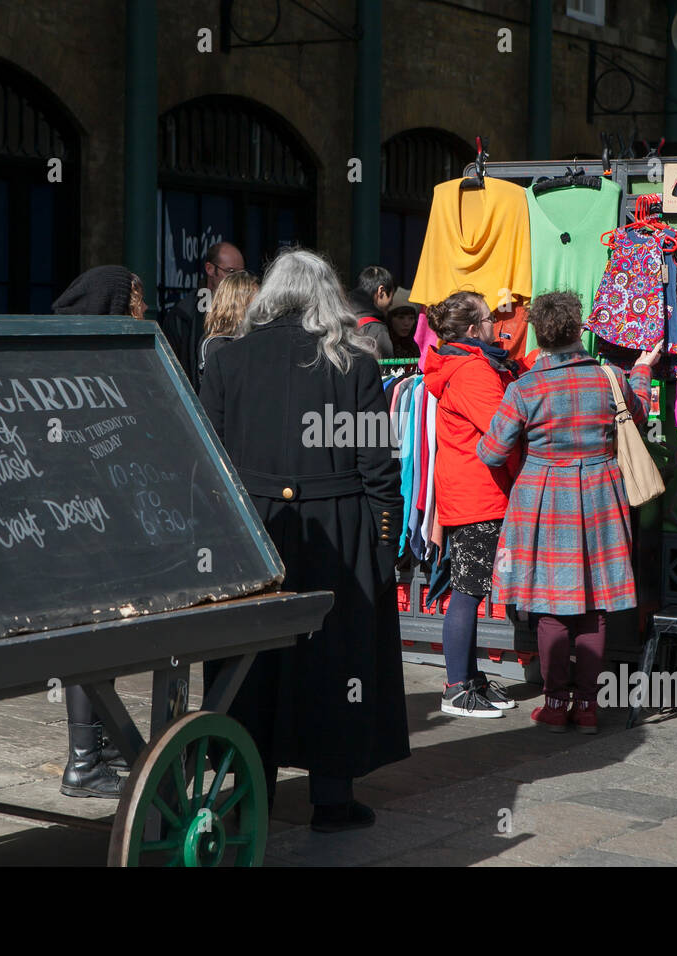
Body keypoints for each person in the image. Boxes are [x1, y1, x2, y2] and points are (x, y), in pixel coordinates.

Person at [199, 248, 409, 833]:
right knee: (334, 662)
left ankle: (249, 789)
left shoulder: (226, 359)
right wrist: (384, 542)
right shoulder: (357, 364)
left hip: (254, 528)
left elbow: (210, 461)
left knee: (251, 662)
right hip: (337, 532)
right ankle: (332, 798)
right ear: (327, 296)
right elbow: (379, 468)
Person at [479, 292, 661, 733]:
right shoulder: (609, 378)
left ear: (540, 335)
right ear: (578, 330)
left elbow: (491, 451)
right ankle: (588, 708)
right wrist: (642, 369)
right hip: (601, 493)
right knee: (595, 604)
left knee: (550, 606)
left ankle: (556, 704)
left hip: (543, 498)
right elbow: (637, 412)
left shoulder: (524, 388)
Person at [50, 265, 146, 797]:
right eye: (136, 300)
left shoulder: (58, 354)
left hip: (72, 526)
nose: (143, 310)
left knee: (93, 641)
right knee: (91, 640)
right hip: (91, 529)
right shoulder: (105, 363)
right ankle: (83, 763)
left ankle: (101, 738)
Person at [423, 290, 523, 718]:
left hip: (470, 491)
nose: (495, 325)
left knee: (473, 589)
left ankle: (471, 677)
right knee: (467, 592)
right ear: (471, 329)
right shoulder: (472, 372)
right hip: (478, 494)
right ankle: (456, 688)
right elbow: (503, 428)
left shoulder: (464, 366)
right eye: (487, 319)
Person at [161, 241, 245, 389]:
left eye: (241, 273)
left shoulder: (248, 308)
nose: (237, 280)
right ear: (210, 269)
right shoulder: (184, 314)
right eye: (231, 272)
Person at [198, 270, 258, 382]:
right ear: (238, 305)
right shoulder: (216, 345)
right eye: (255, 303)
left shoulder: (256, 338)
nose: (260, 308)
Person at [348, 265, 395, 359]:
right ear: (381, 291)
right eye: (391, 296)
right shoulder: (376, 328)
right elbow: (386, 369)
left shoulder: (339, 316)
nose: (391, 303)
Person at [386, 288, 421, 360]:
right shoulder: (383, 343)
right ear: (390, 319)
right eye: (400, 317)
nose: (406, 323)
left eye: (411, 318)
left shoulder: (418, 346)